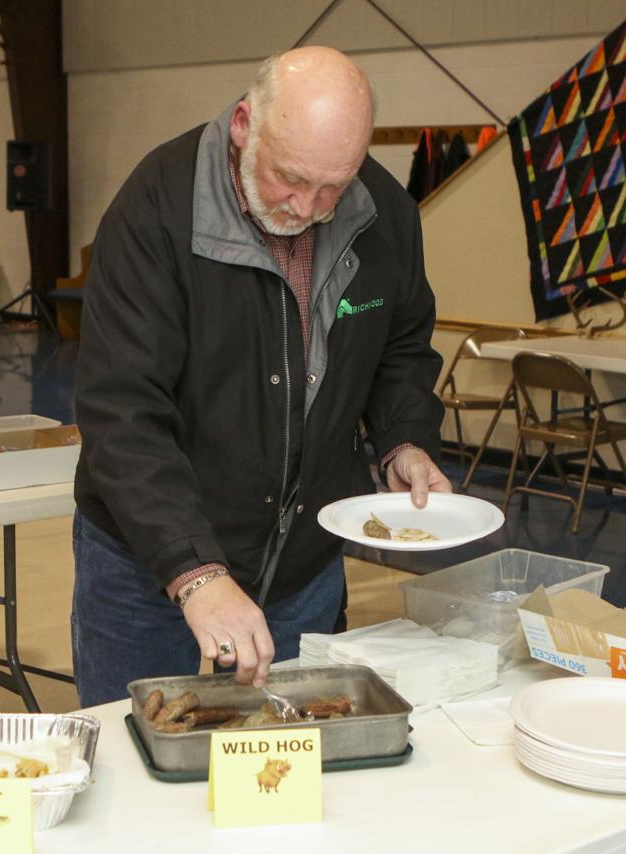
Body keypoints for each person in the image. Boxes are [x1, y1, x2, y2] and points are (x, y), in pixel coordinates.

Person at [72, 47, 451, 707]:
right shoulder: (156, 209)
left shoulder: (382, 214)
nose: (306, 205)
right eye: (290, 178)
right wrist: (195, 574)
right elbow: (122, 414)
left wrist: (403, 437)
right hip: (150, 571)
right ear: (245, 124)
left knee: (291, 778)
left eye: (333, 186)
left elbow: (401, 344)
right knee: (139, 780)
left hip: (303, 570)